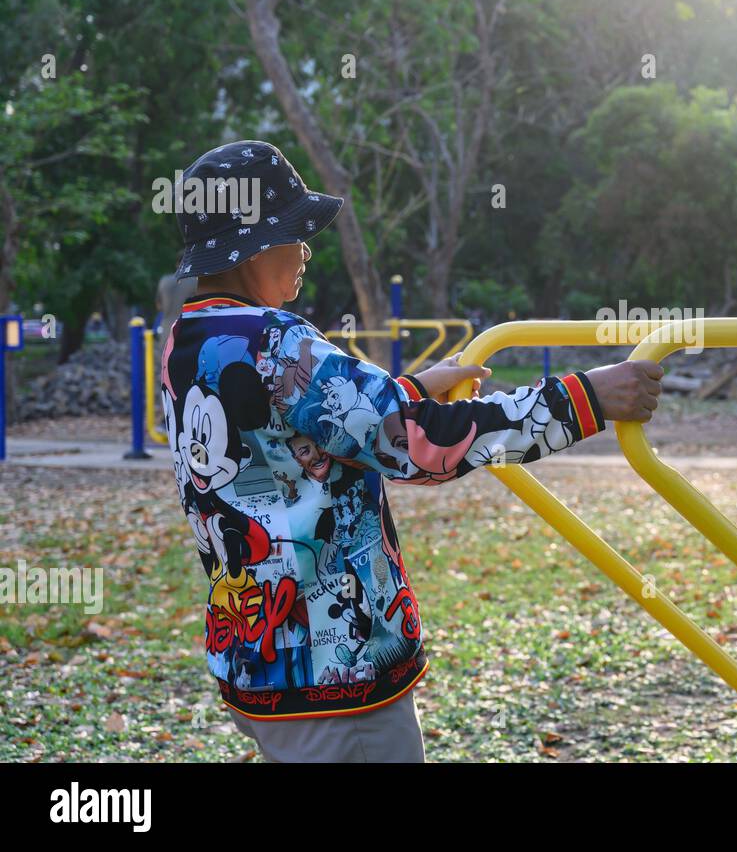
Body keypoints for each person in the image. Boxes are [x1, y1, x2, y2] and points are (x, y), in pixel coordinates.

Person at [161, 140, 662, 762]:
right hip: (334, 667)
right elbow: (416, 446)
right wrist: (586, 398)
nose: (306, 251)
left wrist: (418, 386)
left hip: (259, 656)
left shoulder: (191, 339)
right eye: (295, 232)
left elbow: (310, 429)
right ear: (256, 245)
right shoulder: (273, 338)